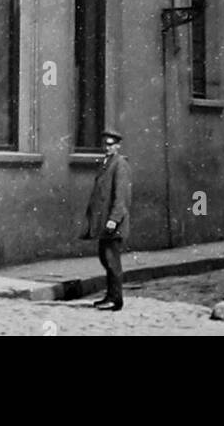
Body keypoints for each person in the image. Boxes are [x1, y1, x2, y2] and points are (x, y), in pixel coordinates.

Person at [83, 128, 132, 312]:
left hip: (114, 223)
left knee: (112, 261)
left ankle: (116, 299)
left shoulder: (120, 164)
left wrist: (114, 219)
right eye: (105, 144)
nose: (107, 147)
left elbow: (121, 197)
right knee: (106, 258)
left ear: (118, 146)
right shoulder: (106, 163)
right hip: (105, 222)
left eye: (111, 144)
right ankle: (110, 296)